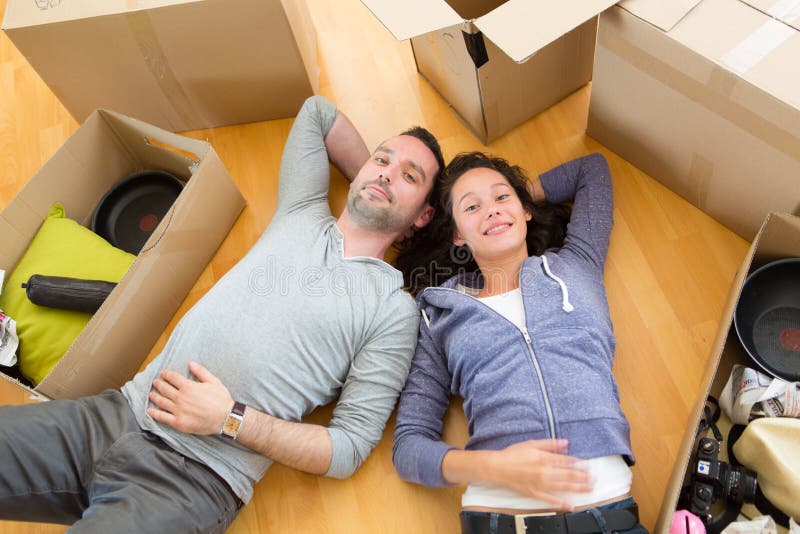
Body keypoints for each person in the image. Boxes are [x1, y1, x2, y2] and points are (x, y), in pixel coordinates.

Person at [0, 95, 444, 533]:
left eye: (409, 176)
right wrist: (377, 182)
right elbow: (317, 113)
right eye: (382, 159)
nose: (386, 172)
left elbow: (347, 448)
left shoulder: (392, 310)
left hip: (191, 479)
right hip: (116, 416)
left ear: (423, 215)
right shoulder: (303, 212)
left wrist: (230, 418)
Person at [392, 151, 649, 534]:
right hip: (501, 520)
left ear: (526, 209)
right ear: (458, 235)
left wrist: (514, 197)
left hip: (609, 518)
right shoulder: (439, 314)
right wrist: (492, 466)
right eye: (472, 206)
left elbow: (591, 169)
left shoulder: (577, 263)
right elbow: (409, 448)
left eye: (501, 197)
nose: (492, 211)